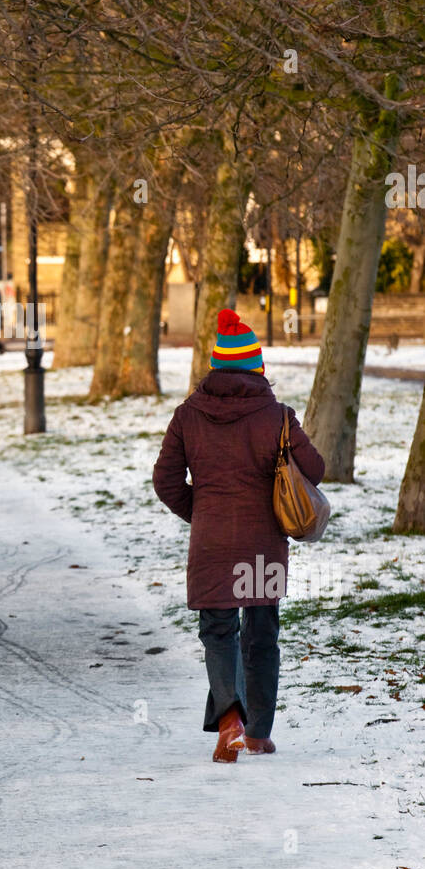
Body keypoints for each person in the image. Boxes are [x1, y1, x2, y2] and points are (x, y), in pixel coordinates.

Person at [152, 308, 325, 763]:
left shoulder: (187, 415)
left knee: (218, 631)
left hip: (210, 542)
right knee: (261, 633)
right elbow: (317, 470)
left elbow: (165, 481)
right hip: (262, 544)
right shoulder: (278, 417)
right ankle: (257, 733)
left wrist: (203, 512)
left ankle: (230, 717)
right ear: (255, 367)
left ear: (215, 366)